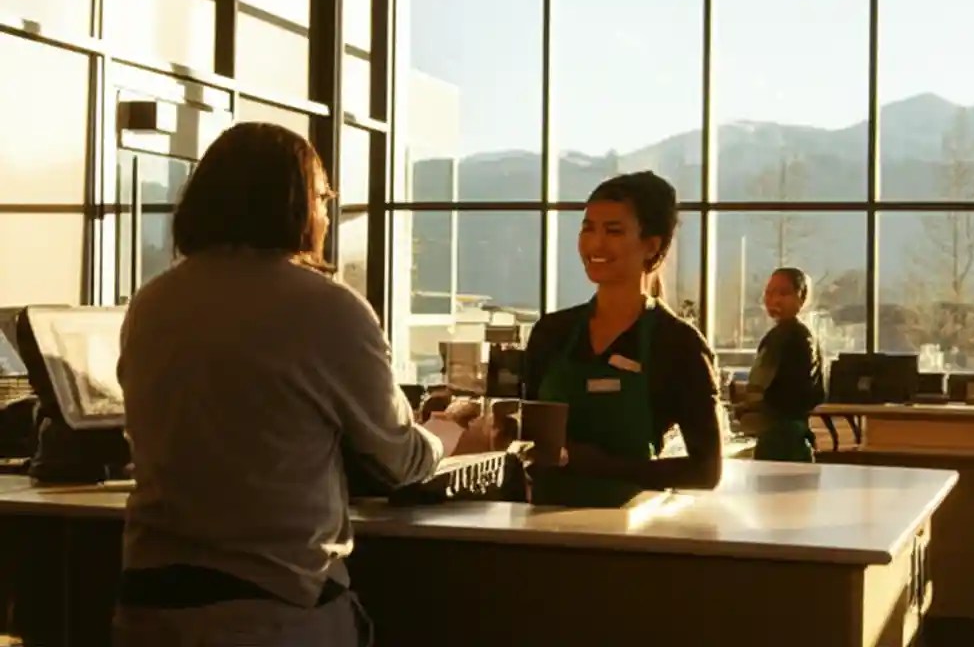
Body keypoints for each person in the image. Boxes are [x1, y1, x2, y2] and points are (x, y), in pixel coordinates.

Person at [114, 122, 478, 647]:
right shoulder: (328, 307)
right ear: (296, 203)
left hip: (151, 603)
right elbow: (399, 461)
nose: (329, 215)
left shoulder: (152, 302)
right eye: (325, 196)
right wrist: (445, 432)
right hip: (273, 608)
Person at [522, 171, 722, 508]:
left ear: (651, 245)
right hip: (540, 527)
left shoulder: (678, 343)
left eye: (613, 231)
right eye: (588, 228)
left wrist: (602, 466)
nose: (595, 244)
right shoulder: (551, 333)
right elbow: (525, 440)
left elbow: (706, 471)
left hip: (632, 534)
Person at [743, 267, 826, 462]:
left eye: (784, 293)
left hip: (782, 436)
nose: (775, 300)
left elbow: (760, 388)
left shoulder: (791, 337)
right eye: (770, 293)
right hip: (786, 431)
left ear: (801, 297)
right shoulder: (793, 335)